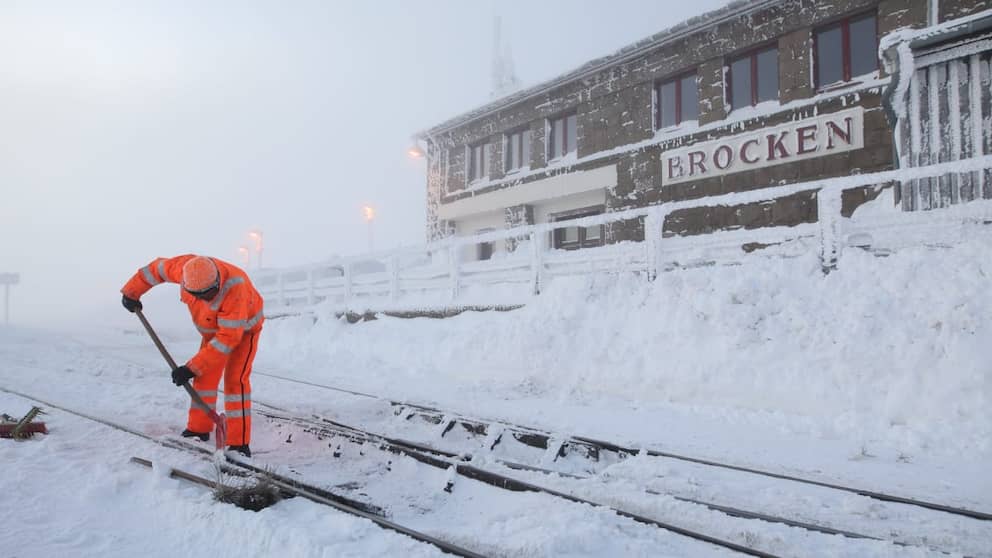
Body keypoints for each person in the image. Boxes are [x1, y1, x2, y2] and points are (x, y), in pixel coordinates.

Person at [120, 255, 264, 457]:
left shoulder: (235, 288)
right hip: (214, 331)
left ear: (217, 283)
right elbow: (154, 270)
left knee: (235, 382)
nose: (205, 299)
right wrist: (131, 292)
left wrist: (189, 368)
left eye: (210, 294)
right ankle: (199, 428)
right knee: (204, 377)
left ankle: (238, 443)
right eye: (200, 296)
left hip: (244, 330)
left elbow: (227, 340)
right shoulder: (186, 269)